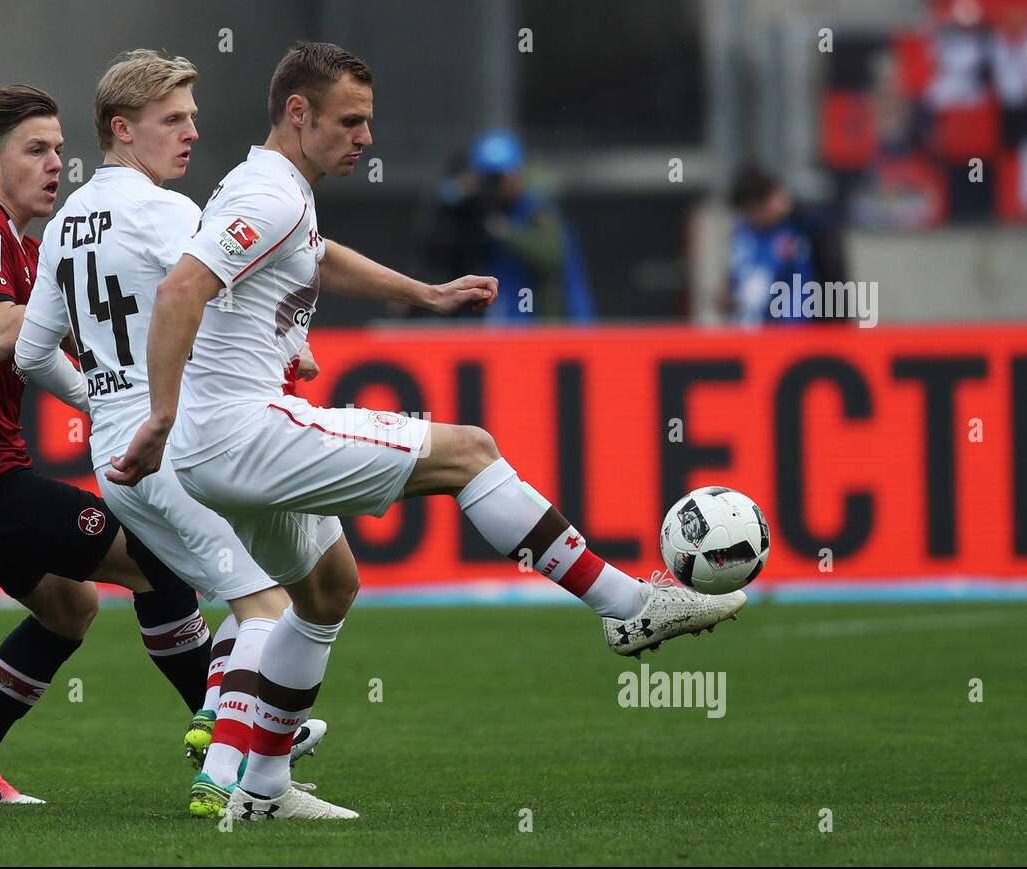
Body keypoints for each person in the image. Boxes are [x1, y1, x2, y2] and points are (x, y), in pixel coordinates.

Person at [109, 41, 746, 821]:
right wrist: (162, 417)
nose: (366, 139)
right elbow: (181, 288)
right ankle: (624, 606)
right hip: (241, 434)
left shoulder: (274, 189)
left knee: (328, 591)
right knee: (470, 451)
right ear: (298, 113)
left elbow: (315, 257)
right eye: (351, 122)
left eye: (368, 123)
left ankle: (264, 790)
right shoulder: (268, 195)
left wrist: (425, 293)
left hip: (225, 446)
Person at [13, 51, 324, 818]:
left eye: (192, 116)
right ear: (123, 129)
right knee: (271, 607)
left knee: (239, 594)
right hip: (177, 441)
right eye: (173, 120)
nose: (191, 131)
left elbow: (29, 353)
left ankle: (221, 715)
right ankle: (226, 771)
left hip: (116, 450)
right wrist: (294, 345)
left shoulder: (62, 228)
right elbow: (222, 297)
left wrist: (105, 402)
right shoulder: (172, 214)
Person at [0, 85, 215, 805]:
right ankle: (239, 733)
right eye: (35, 151)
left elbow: (85, 339)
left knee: (69, 609)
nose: (55, 166)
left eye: (59, 151)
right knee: (157, 564)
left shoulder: (30, 245)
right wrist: (59, 304)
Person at [419, 129, 595, 323]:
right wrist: (458, 193)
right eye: (488, 178)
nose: (495, 185)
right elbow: (437, 244)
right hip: (502, 323)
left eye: (499, 177)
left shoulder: (537, 207)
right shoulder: (482, 211)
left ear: (517, 173)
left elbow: (552, 256)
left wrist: (507, 233)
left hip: (545, 323)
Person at [723, 164, 848, 326]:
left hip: (797, 334)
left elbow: (832, 273)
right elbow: (734, 280)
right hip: (752, 336)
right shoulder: (743, 234)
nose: (752, 219)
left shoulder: (805, 229)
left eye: (753, 212)